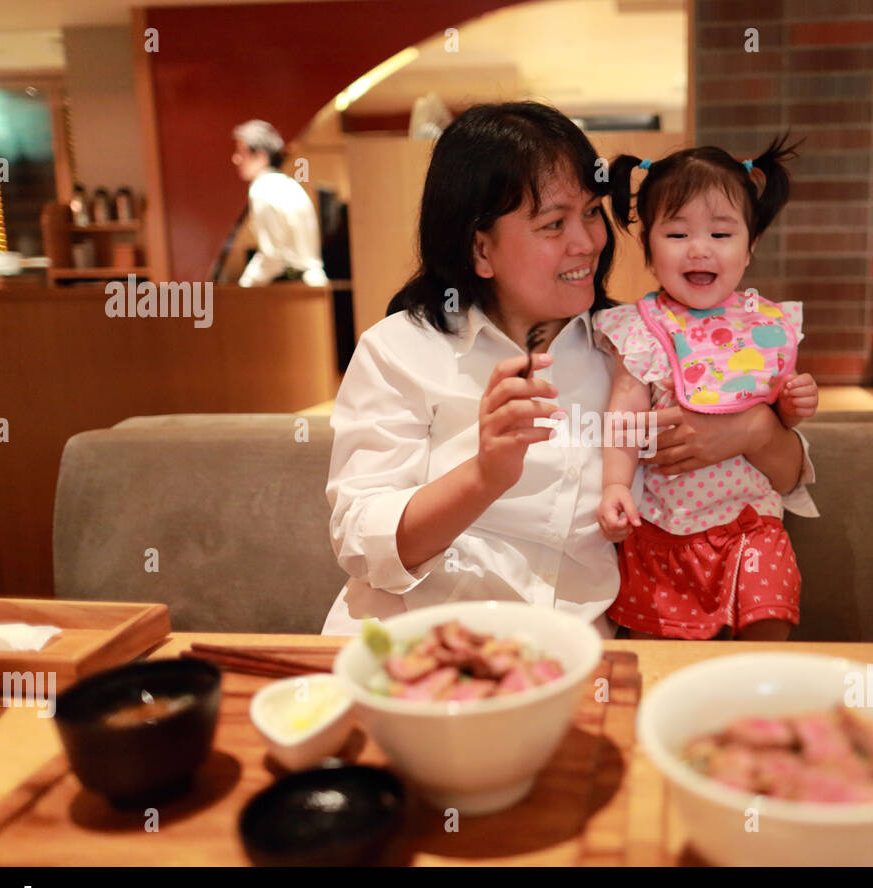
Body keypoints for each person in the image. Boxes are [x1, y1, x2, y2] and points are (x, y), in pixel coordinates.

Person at [321, 102, 817, 640]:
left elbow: (781, 478)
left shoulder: (633, 346)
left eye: (590, 212)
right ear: (480, 249)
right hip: (414, 641)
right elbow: (362, 544)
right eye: (554, 223)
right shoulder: (400, 351)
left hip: (574, 655)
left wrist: (755, 428)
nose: (587, 242)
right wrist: (484, 476)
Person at [594, 138, 819, 641]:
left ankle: (762, 712)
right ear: (649, 245)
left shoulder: (765, 326)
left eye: (721, 232)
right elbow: (624, 414)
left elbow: (777, 416)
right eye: (676, 233)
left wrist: (794, 403)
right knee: (658, 653)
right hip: (663, 528)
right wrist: (613, 484)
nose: (699, 247)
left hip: (751, 526)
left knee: (768, 627)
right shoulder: (641, 330)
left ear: (751, 244)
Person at [231, 119, 328, 287]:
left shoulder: (262, 190)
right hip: (313, 283)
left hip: (287, 289)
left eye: (242, 152)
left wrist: (245, 286)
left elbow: (272, 257)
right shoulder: (291, 185)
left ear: (261, 156)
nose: (236, 159)